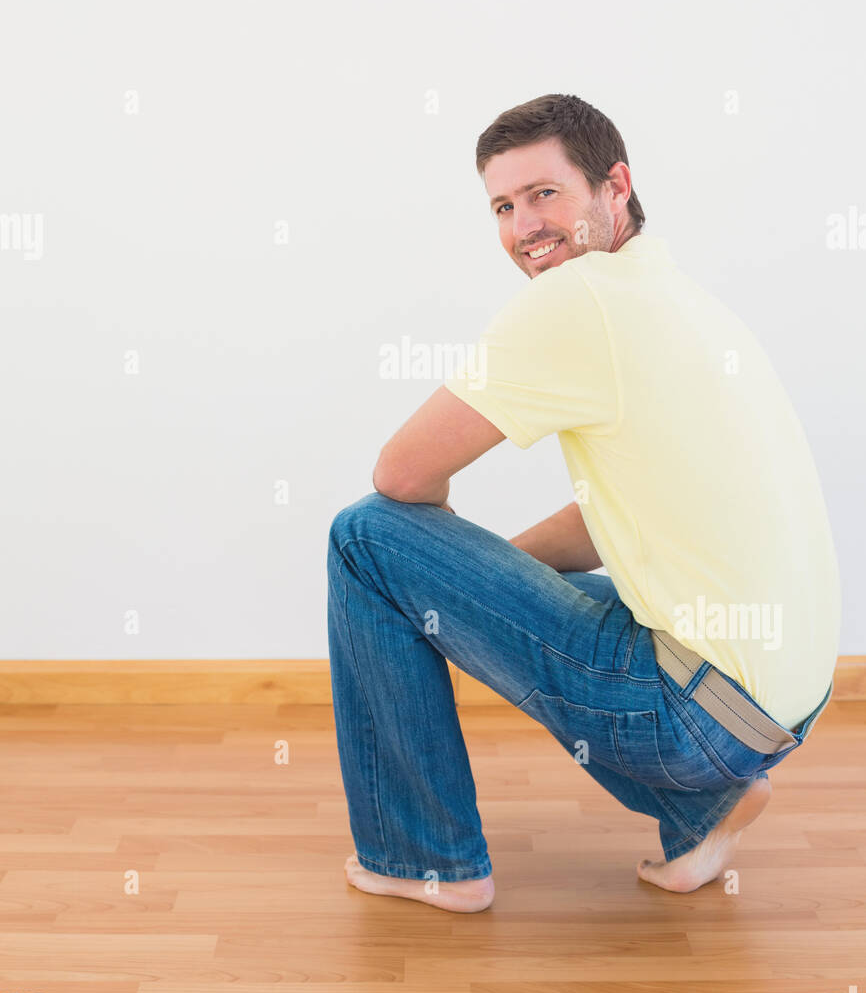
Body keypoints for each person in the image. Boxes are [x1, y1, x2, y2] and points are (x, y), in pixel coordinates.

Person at [327, 92, 839, 910]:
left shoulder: (577, 299)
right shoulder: (685, 301)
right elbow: (627, 519)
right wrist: (482, 590)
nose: (524, 224)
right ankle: (703, 805)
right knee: (577, 597)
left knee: (364, 537)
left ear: (615, 187)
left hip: (693, 715)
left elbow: (401, 479)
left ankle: (424, 858)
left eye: (545, 194)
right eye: (503, 205)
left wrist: (451, 582)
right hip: (783, 704)